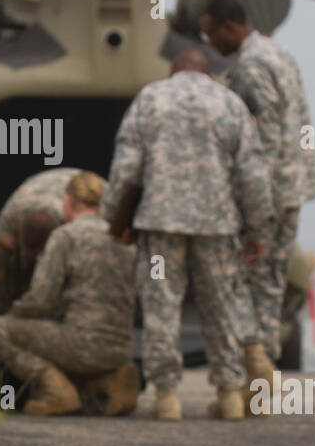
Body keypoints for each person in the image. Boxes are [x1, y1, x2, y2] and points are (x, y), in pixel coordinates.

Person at [105, 49, 274, 422]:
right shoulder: (229, 103)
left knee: (161, 306)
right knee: (221, 307)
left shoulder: (150, 98)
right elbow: (253, 174)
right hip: (216, 225)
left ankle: (167, 398)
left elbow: (127, 164)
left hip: (160, 224)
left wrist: (115, 217)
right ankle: (229, 395)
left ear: (172, 71)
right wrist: (258, 228)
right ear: (210, 74)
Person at [200, 0, 315, 374]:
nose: (210, 44)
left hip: (267, 193)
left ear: (230, 28)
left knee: (242, 283)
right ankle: (263, 373)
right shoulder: (280, 55)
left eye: (211, 34)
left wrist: (252, 204)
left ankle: (248, 372)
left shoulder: (250, 67)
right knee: (271, 286)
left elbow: (262, 140)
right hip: (294, 187)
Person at [0, 172, 138, 416]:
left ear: (67, 201)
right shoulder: (124, 237)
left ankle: (56, 391)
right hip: (122, 347)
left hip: (81, 344)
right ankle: (110, 381)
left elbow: (42, 300)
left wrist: (14, 314)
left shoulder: (65, 236)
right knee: (72, 344)